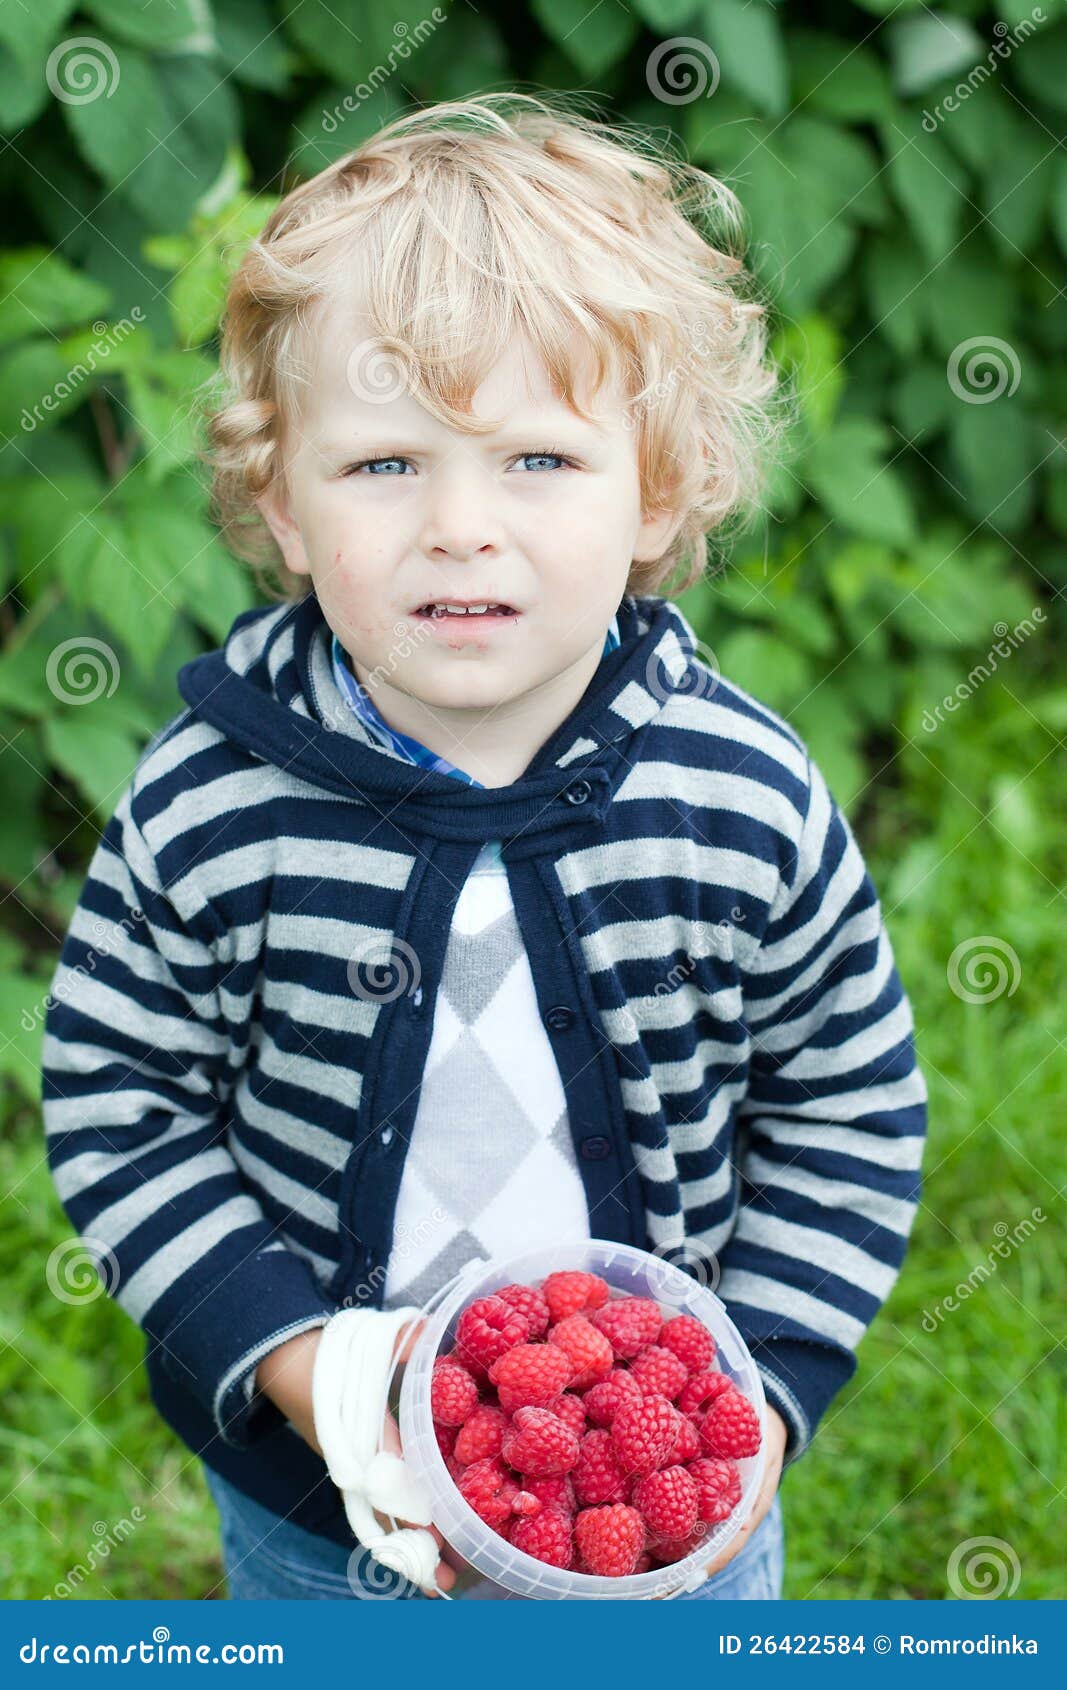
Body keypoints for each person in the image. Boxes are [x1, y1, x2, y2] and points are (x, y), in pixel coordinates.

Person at [40, 93, 927, 1601]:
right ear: (286, 504)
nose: (461, 523)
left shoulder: (742, 802)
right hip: (323, 1500)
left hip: (664, 1516)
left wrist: (752, 1395)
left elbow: (847, 1107)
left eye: (537, 461)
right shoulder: (213, 804)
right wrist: (298, 1367)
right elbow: (119, 1097)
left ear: (659, 487)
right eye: (384, 465)